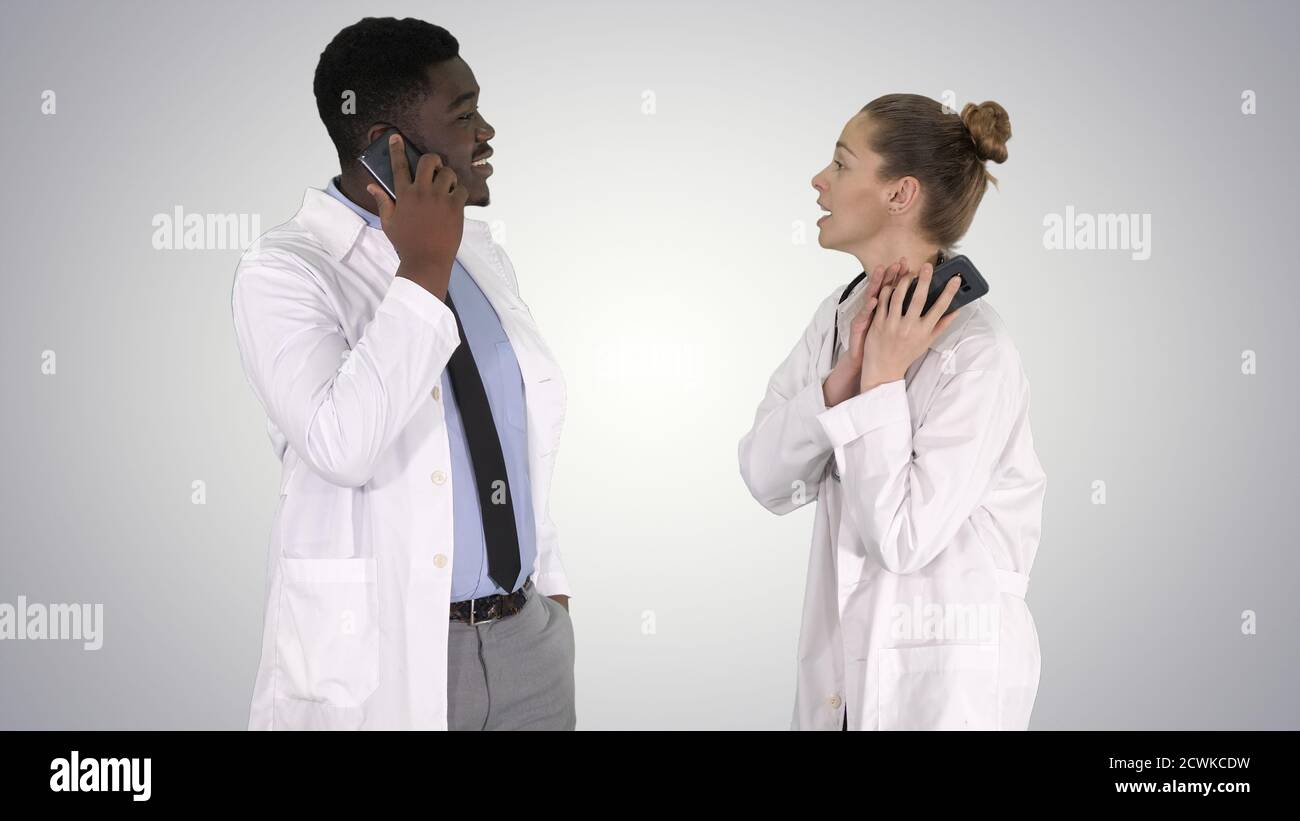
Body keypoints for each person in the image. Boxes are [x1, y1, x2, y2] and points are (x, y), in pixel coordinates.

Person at [231, 17, 574, 730]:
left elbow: (515, 434)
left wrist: (549, 592)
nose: (486, 132)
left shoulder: (482, 257)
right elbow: (341, 445)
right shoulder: (287, 271)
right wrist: (419, 269)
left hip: (527, 646)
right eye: (464, 113)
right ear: (388, 144)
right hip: (387, 653)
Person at [738, 94, 1047, 730]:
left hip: (947, 692)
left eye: (841, 164)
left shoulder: (978, 353)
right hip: (844, 687)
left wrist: (879, 382)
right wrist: (840, 384)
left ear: (899, 194)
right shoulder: (840, 317)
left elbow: (904, 540)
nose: (818, 181)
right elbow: (766, 478)